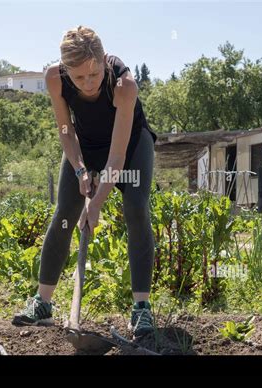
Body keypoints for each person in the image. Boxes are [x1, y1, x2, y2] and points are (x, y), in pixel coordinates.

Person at [12, 25, 158, 338]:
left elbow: (117, 159)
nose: (88, 84)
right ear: (66, 70)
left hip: (130, 147)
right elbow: (65, 130)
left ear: (105, 61)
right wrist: (80, 171)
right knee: (64, 212)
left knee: (135, 208)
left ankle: (142, 309)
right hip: (84, 145)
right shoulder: (55, 78)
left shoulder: (124, 85)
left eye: (94, 75)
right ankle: (42, 303)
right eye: (79, 78)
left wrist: (97, 204)